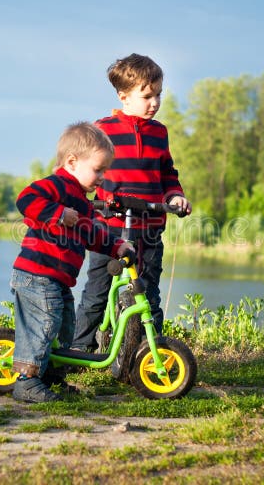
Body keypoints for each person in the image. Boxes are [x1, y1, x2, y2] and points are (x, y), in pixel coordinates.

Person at [73, 53, 191, 352]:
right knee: (97, 292)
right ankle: (79, 348)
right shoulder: (103, 129)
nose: (155, 102)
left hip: (149, 229)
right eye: (147, 95)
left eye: (158, 95)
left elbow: (167, 173)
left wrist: (175, 196)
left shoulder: (159, 133)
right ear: (124, 96)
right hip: (109, 230)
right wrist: (86, 195)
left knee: (148, 294)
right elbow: (89, 170)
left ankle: (149, 352)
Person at [10, 121, 134, 403]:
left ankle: (50, 377)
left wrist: (117, 246)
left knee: (64, 327)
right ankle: (27, 381)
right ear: (72, 162)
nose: (102, 177)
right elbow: (25, 199)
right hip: (36, 273)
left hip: (56, 279)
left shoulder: (82, 201)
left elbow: (92, 234)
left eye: (105, 170)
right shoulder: (56, 186)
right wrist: (57, 212)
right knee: (46, 322)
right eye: (98, 169)